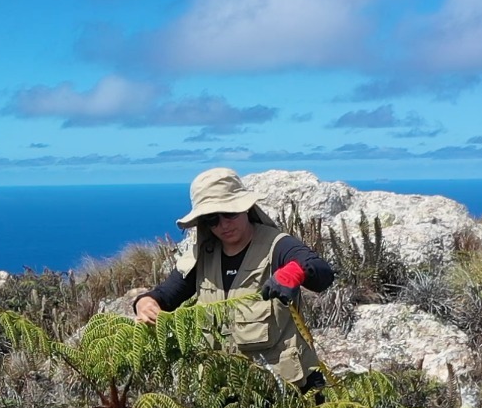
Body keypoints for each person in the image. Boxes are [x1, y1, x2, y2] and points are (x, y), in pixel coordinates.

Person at [134, 167, 334, 391]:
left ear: (246, 208)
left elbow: (321, 272)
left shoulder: (276, 245)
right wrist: (145, 303)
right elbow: (165, 295)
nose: (223, 225)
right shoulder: (203, 255)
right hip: (224, 390)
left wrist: (293, 272)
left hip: (287, 388)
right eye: (212, 219)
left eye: (229, 213)